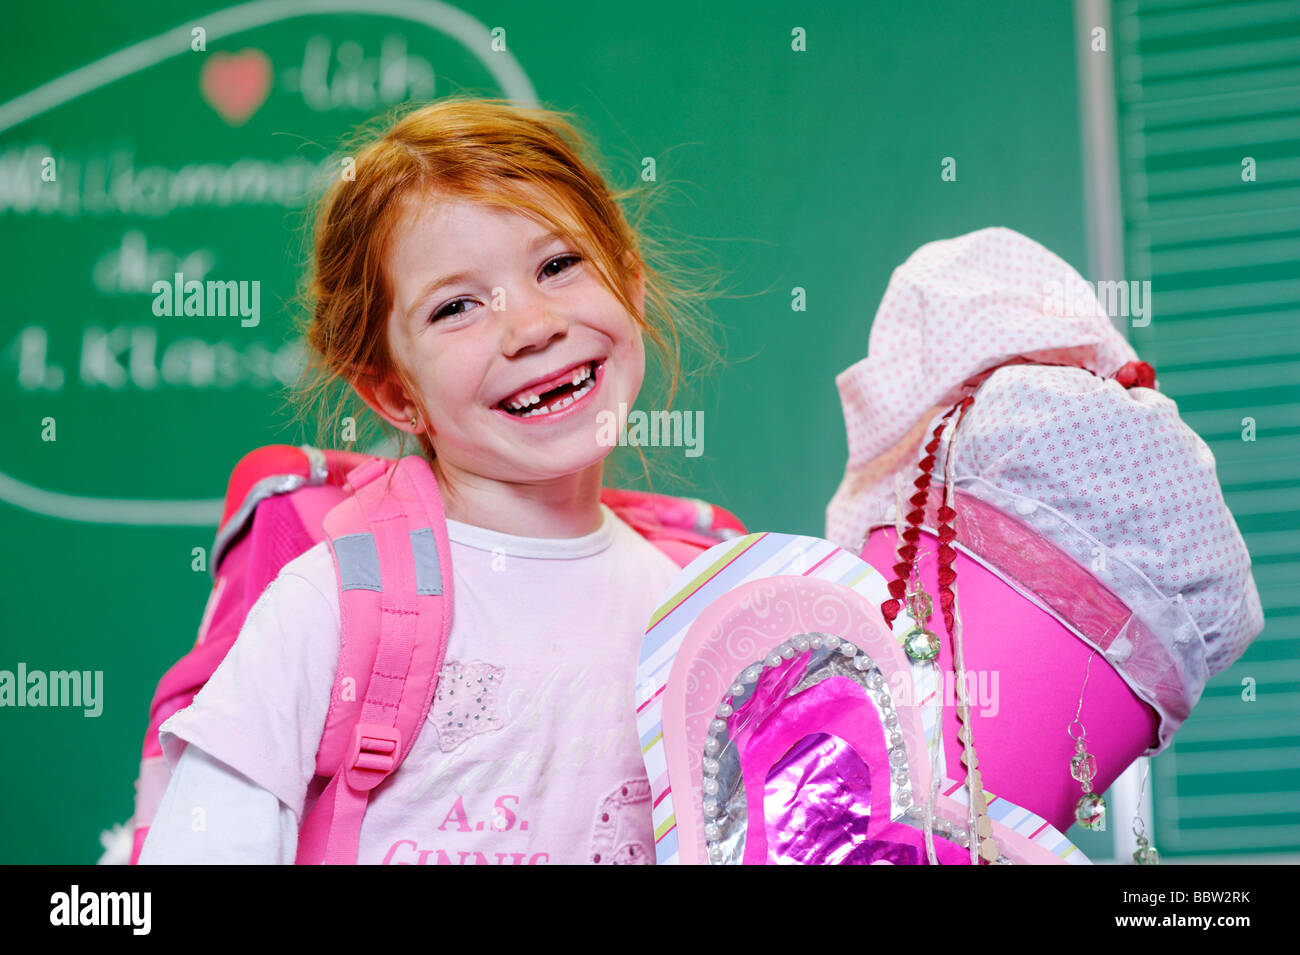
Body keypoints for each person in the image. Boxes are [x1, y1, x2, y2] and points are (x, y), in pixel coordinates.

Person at [140, 97, 726, 865]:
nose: (532, 326)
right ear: (394, 394)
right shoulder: (336, 605)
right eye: (456, 307)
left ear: (631, 284)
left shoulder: (700, 611)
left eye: (558, 264)